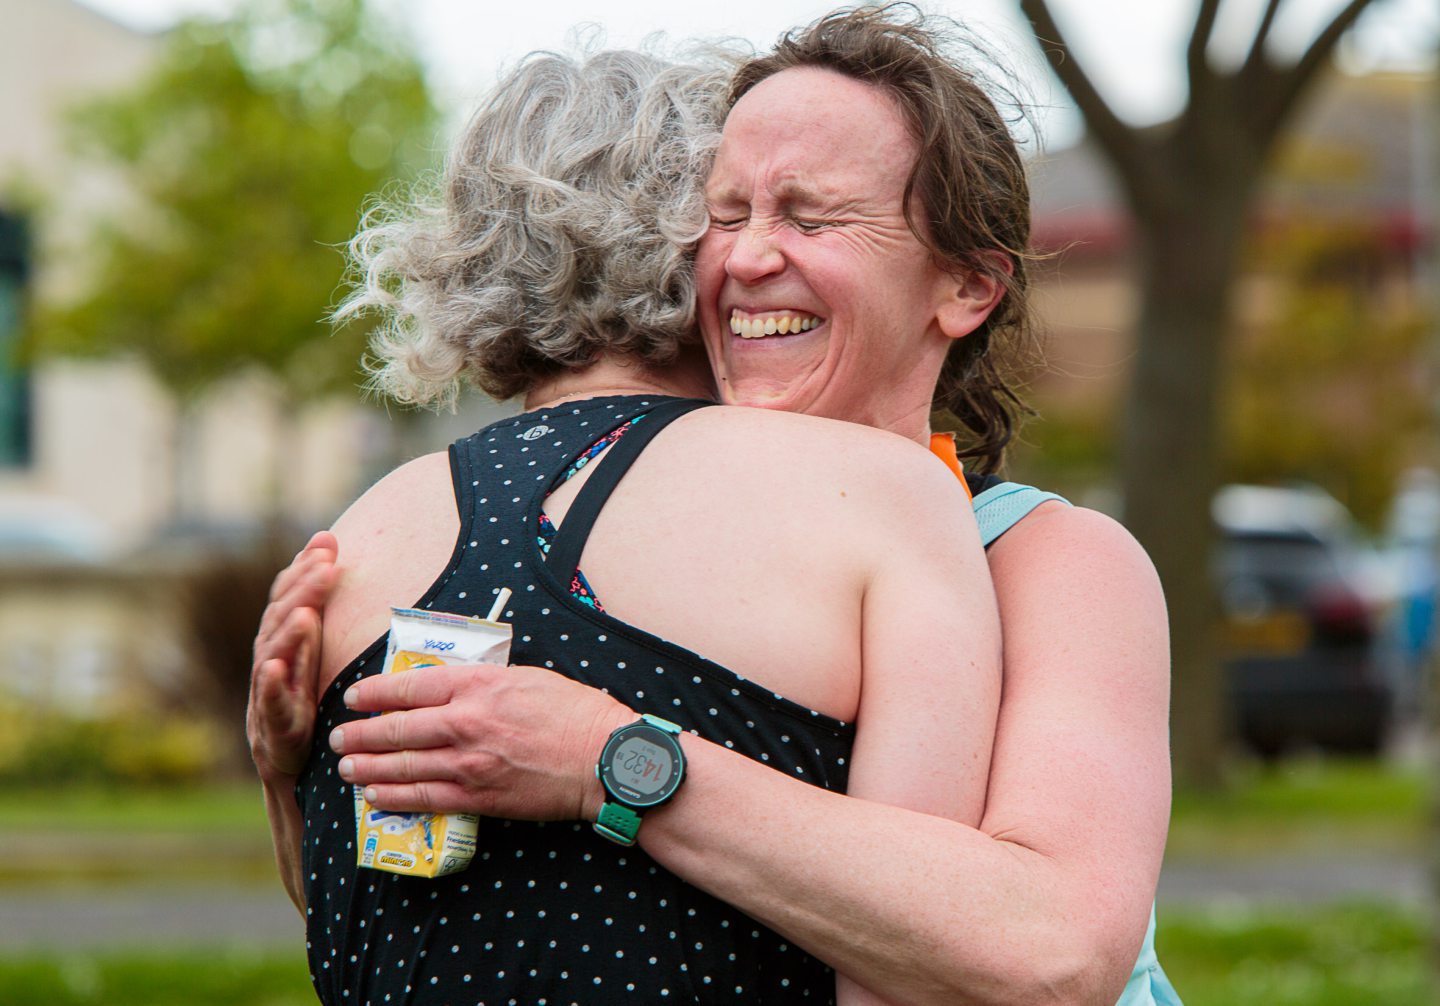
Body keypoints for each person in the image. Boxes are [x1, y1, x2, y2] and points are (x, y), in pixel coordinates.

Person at [252, 7, 1179, 1005]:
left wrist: (608, 757)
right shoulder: (656, 552)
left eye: (811, 218)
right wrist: (295, 772)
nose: (744, 260)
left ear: (965, 285)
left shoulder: (1055, 562)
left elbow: (1056, 951)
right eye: (724, 217)